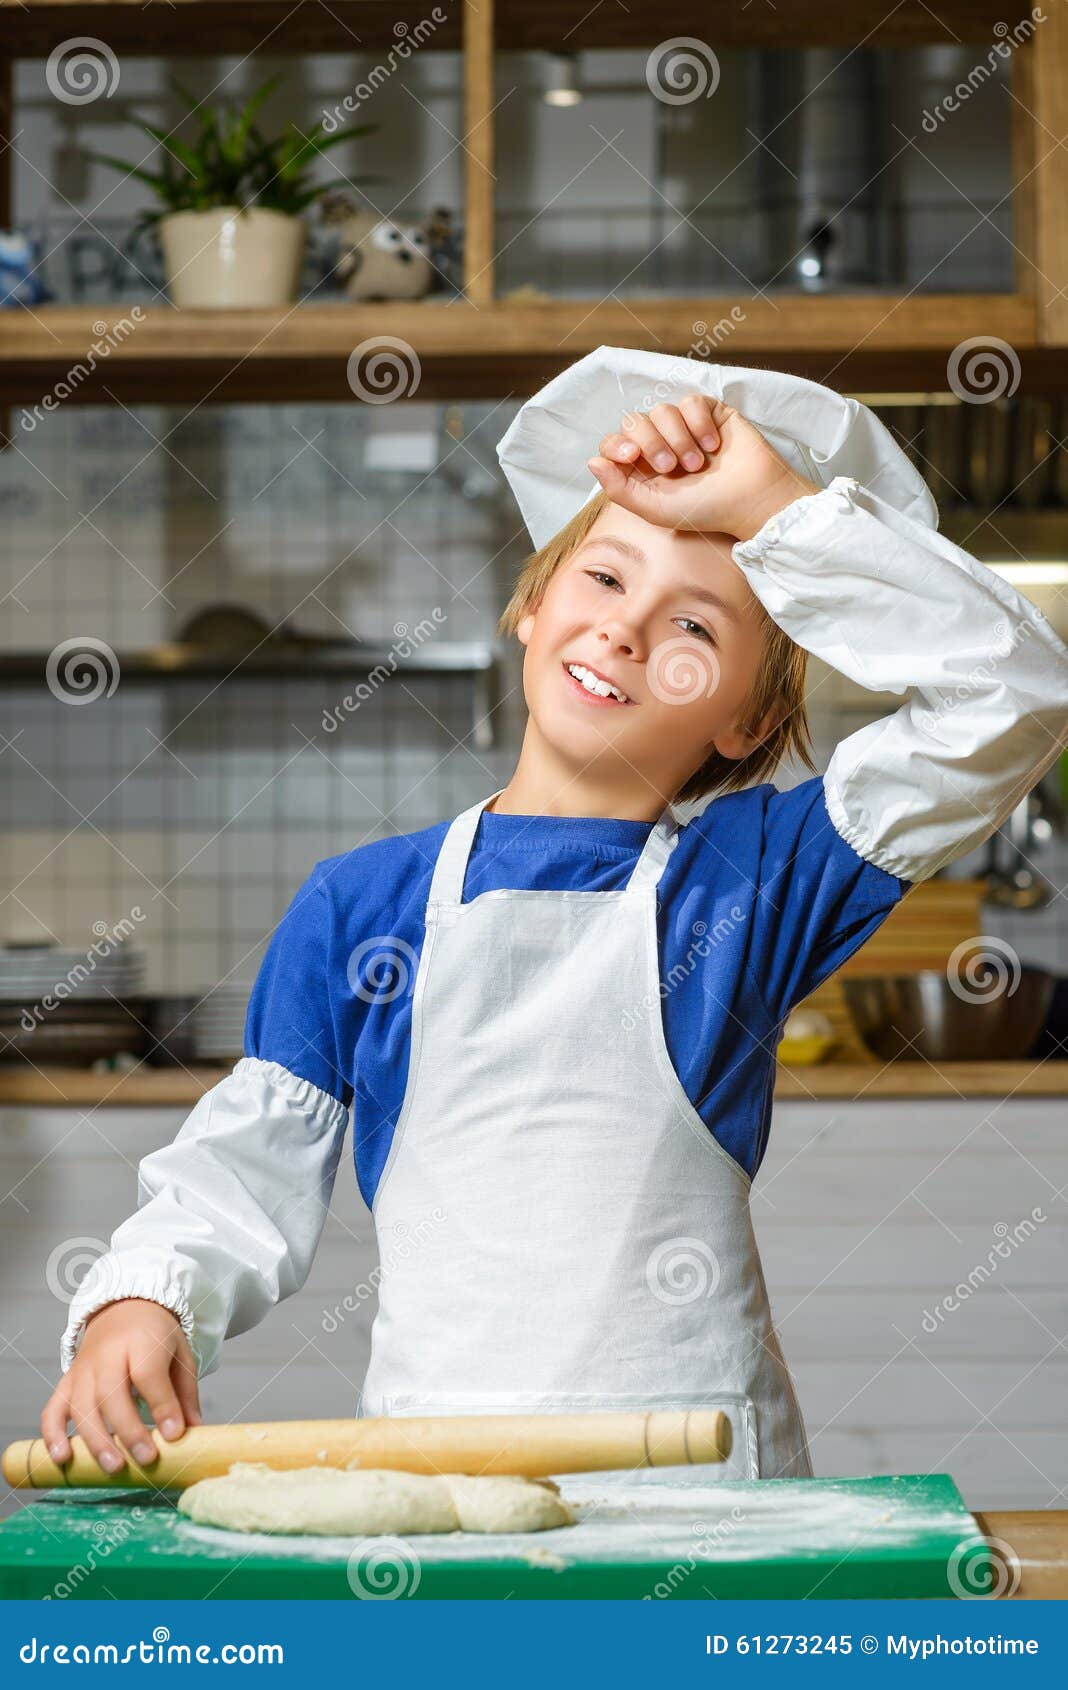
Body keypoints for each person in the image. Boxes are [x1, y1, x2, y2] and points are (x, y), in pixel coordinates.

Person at [42, 347, 1068, 1483]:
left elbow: (1013, 694)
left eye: (698, 629)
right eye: (608, 578)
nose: (627, 632)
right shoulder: (359, 908)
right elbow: (244, 1165)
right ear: (533, 604)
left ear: (747, 721)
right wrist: (142, 1300)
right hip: (441, 1501)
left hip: (701, 1507)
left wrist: (773, 508)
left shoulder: (748, 882)